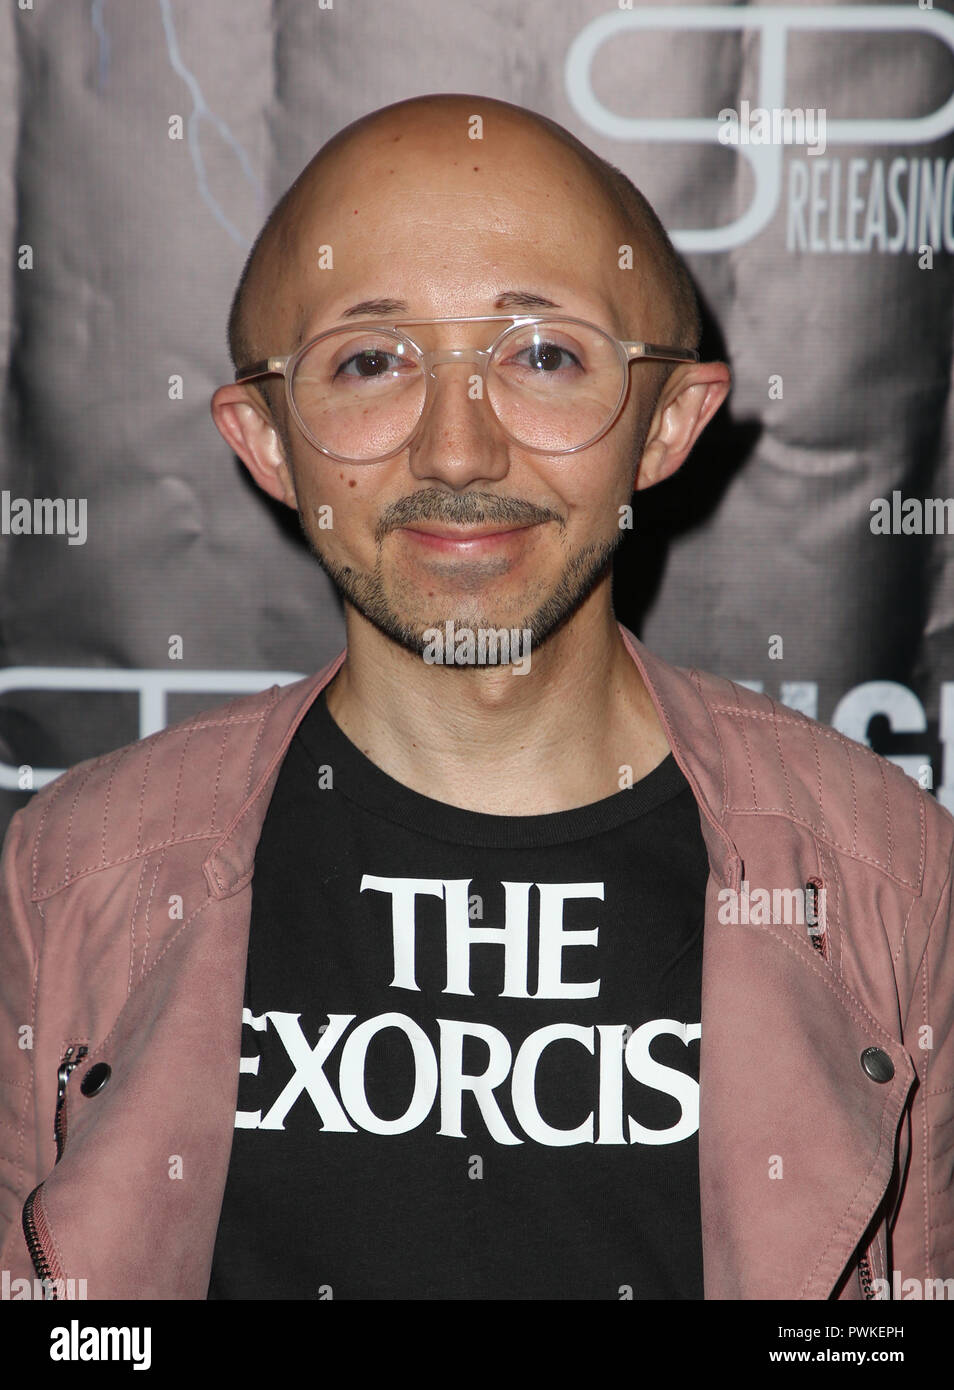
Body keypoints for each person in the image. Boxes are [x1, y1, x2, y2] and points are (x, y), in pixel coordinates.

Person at [0, 92, 951, 1303]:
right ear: (269, 441)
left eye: (543, 355)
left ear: (668, 423)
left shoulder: (897, 887)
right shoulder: (68, 880)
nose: (459, 451)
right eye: (370, 360)